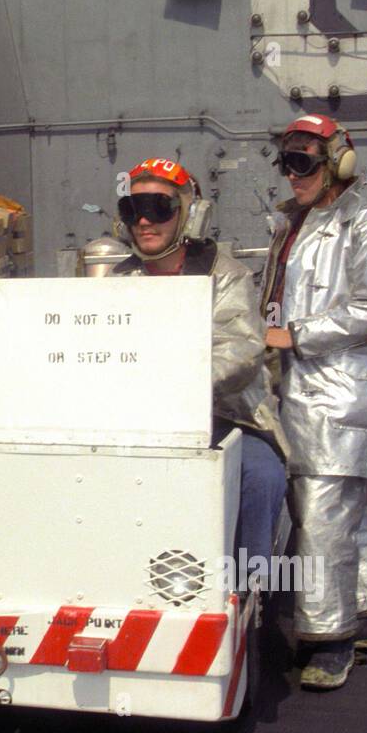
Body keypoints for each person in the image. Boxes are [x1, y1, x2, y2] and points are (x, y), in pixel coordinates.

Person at [260, 114, 367, 690]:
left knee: (321, 512)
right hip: (300, 389)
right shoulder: (295, 223)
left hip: (342, 392)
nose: (292, 173)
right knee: (338, 502)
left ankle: (328, 639)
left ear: (339, 164)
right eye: (287, 162)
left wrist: (295, 335)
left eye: (304, 163)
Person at [109, 157, 289, 581]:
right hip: (132, 421)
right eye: (133, 211)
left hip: (225, 416)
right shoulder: (116, 280)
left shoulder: (226, 277)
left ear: (190, 215)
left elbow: (239, 355)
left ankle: (247, 591)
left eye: (159, 208)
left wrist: (168, 386)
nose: (144, 222)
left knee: (261, 476)